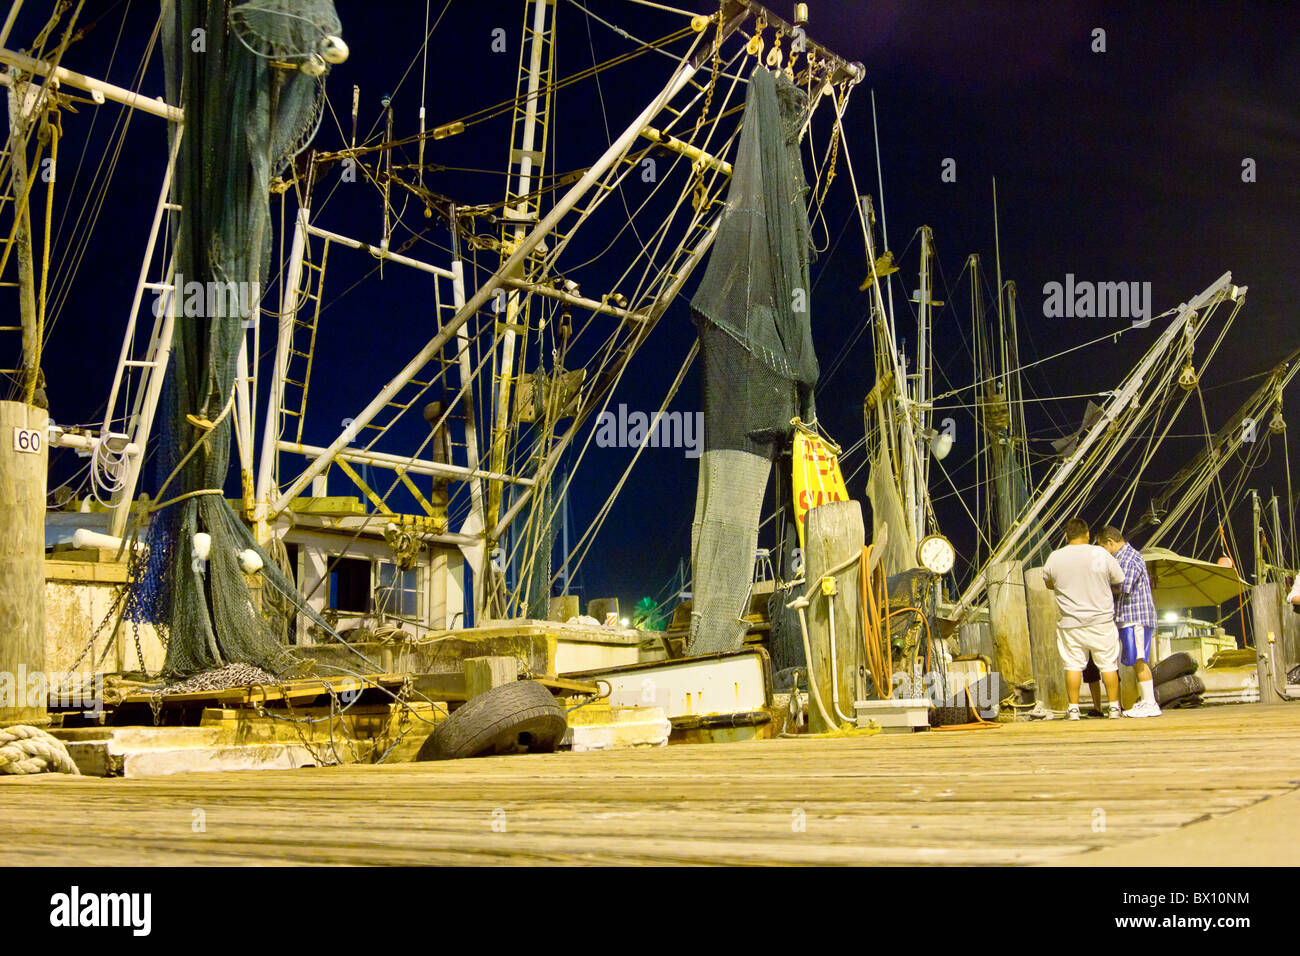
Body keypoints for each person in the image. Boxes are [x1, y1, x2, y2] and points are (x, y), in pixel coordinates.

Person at [1043, 517, 1125, 719]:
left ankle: (1073, 708)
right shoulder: (1100, 554)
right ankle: (1114, 707)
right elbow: (1119, 579)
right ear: (1087, 534)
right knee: (1108, 665)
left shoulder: (1055, 557)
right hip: (1101, 621)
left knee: (1072, 665)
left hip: (1071, 623)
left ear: (1065, 536)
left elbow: (1048, 583)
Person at [1097, 525, 1160, 717]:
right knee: (1135, 661)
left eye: (1103, 548)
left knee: (1140, 661)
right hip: (1130, 617)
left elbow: (1124, 585)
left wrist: (1099, 584)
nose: (1104, 553)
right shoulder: (1125, 557)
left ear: (1111, 542)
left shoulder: (1129, 557)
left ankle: (1150, 703)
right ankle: (1146, 701)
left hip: (1136, 617)